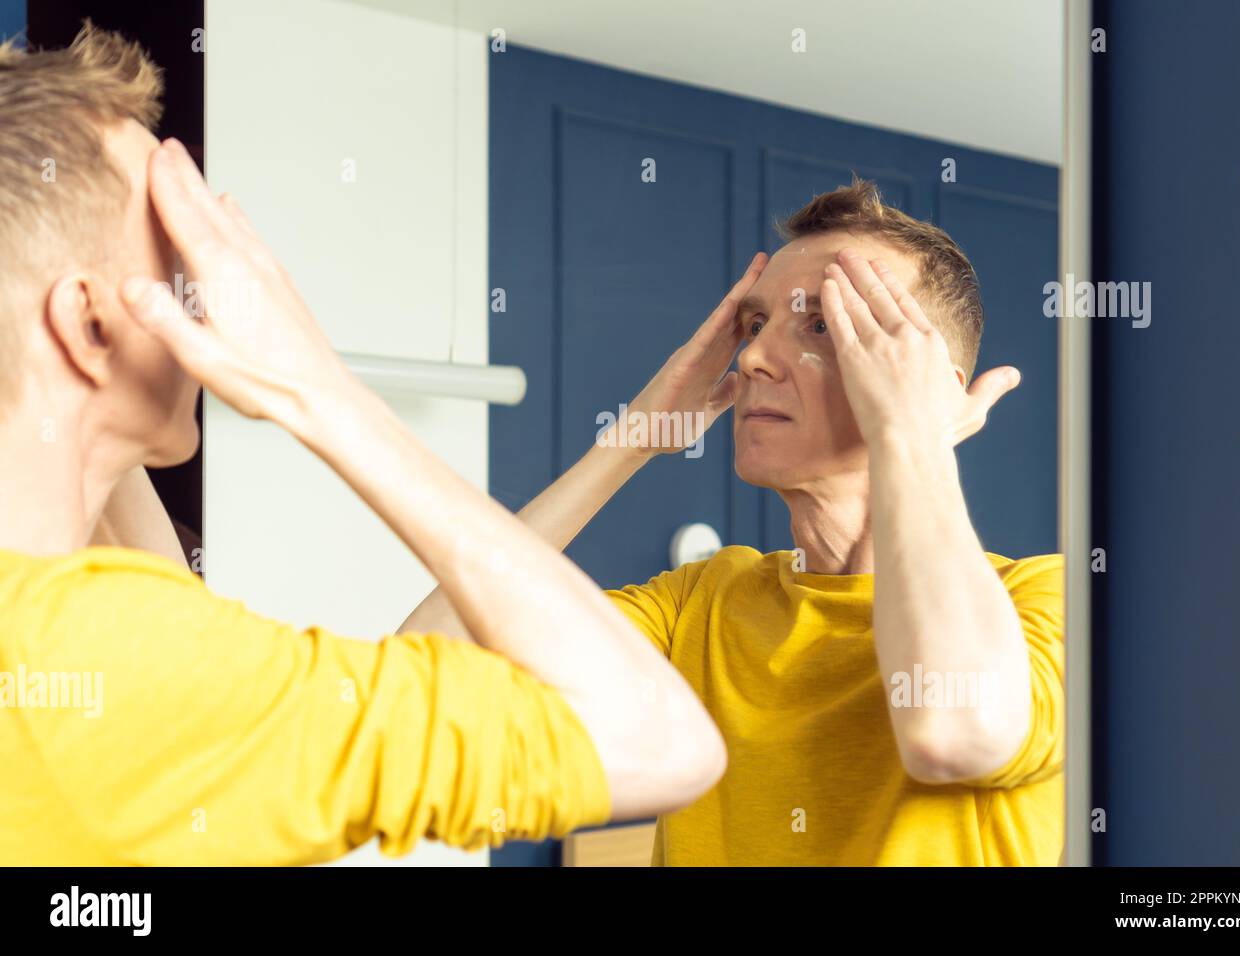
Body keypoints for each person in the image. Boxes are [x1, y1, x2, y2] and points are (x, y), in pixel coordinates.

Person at [0, 24, 725, 866]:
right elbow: (660, 741)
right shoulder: (123, 660)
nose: (217, 294)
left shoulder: (114, 639)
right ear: (90, 322)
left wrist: (633, 438)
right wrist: (319, 386)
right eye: (181, 259)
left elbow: (398, 664)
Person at [403, 180, 1066, 866]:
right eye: (754, 326)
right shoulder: (702, 606)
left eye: (822, 324)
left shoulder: (1046, 605)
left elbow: (950, 734)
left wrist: (912, 436)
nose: (750, 358)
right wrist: (628, 442)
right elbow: (431, 674)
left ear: (932, 388)